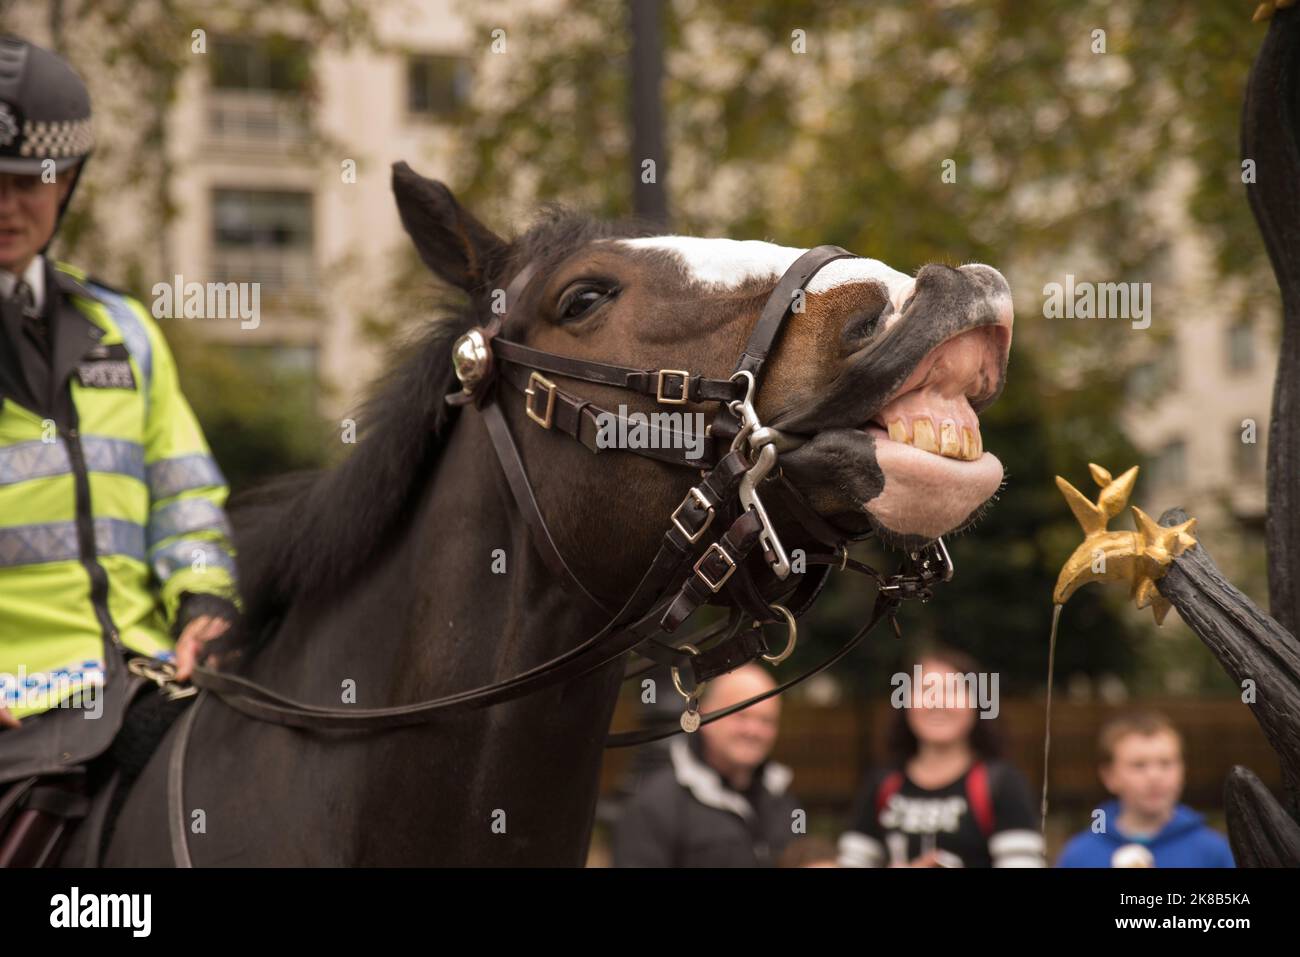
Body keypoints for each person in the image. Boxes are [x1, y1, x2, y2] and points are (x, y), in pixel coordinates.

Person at [0, 35, 238, 865]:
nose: (7, 204)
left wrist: (203, 599)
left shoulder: (123, 328)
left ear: (66, 184)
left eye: (29, 180)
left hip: (140, 679)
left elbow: (183, 490)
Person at [838, 644, 1044, 867]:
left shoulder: (1003, 785)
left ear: (977, 703)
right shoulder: (881, 784)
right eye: (925, 690)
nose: (938, 703)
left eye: (952, 691)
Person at [612, 664, 800, 867]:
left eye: (766, 720)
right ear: (705, 714)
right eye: (741, 715)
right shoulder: (653, 806)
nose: (753, 730)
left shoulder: (783, 799)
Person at [1056, 710, 1235, 868]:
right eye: (1139, 765)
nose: (1154, 776)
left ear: (1183, 770)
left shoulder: (1213, 852)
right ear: (1109, 776)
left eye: (1166, 763)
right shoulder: (1079, 855)